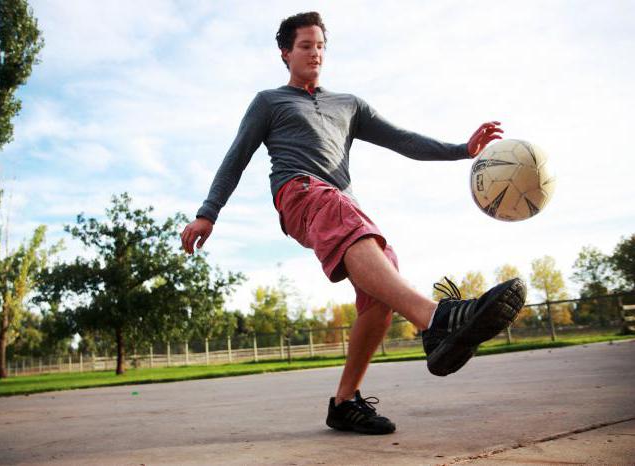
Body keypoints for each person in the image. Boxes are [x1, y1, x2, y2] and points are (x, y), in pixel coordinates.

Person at [180, 11, 526, 435]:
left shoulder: (349, 104)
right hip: (300, 193)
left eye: (321, 46)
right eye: (306, 46)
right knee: (344, 216)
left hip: (340, 201)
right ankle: (437, 320)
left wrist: (462, 150)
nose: (315, 54)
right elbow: (236, 157)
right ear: (286, 53)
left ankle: (345, 402)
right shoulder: (269, 102)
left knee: (382, 283)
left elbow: (404, 140)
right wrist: (207, 213)